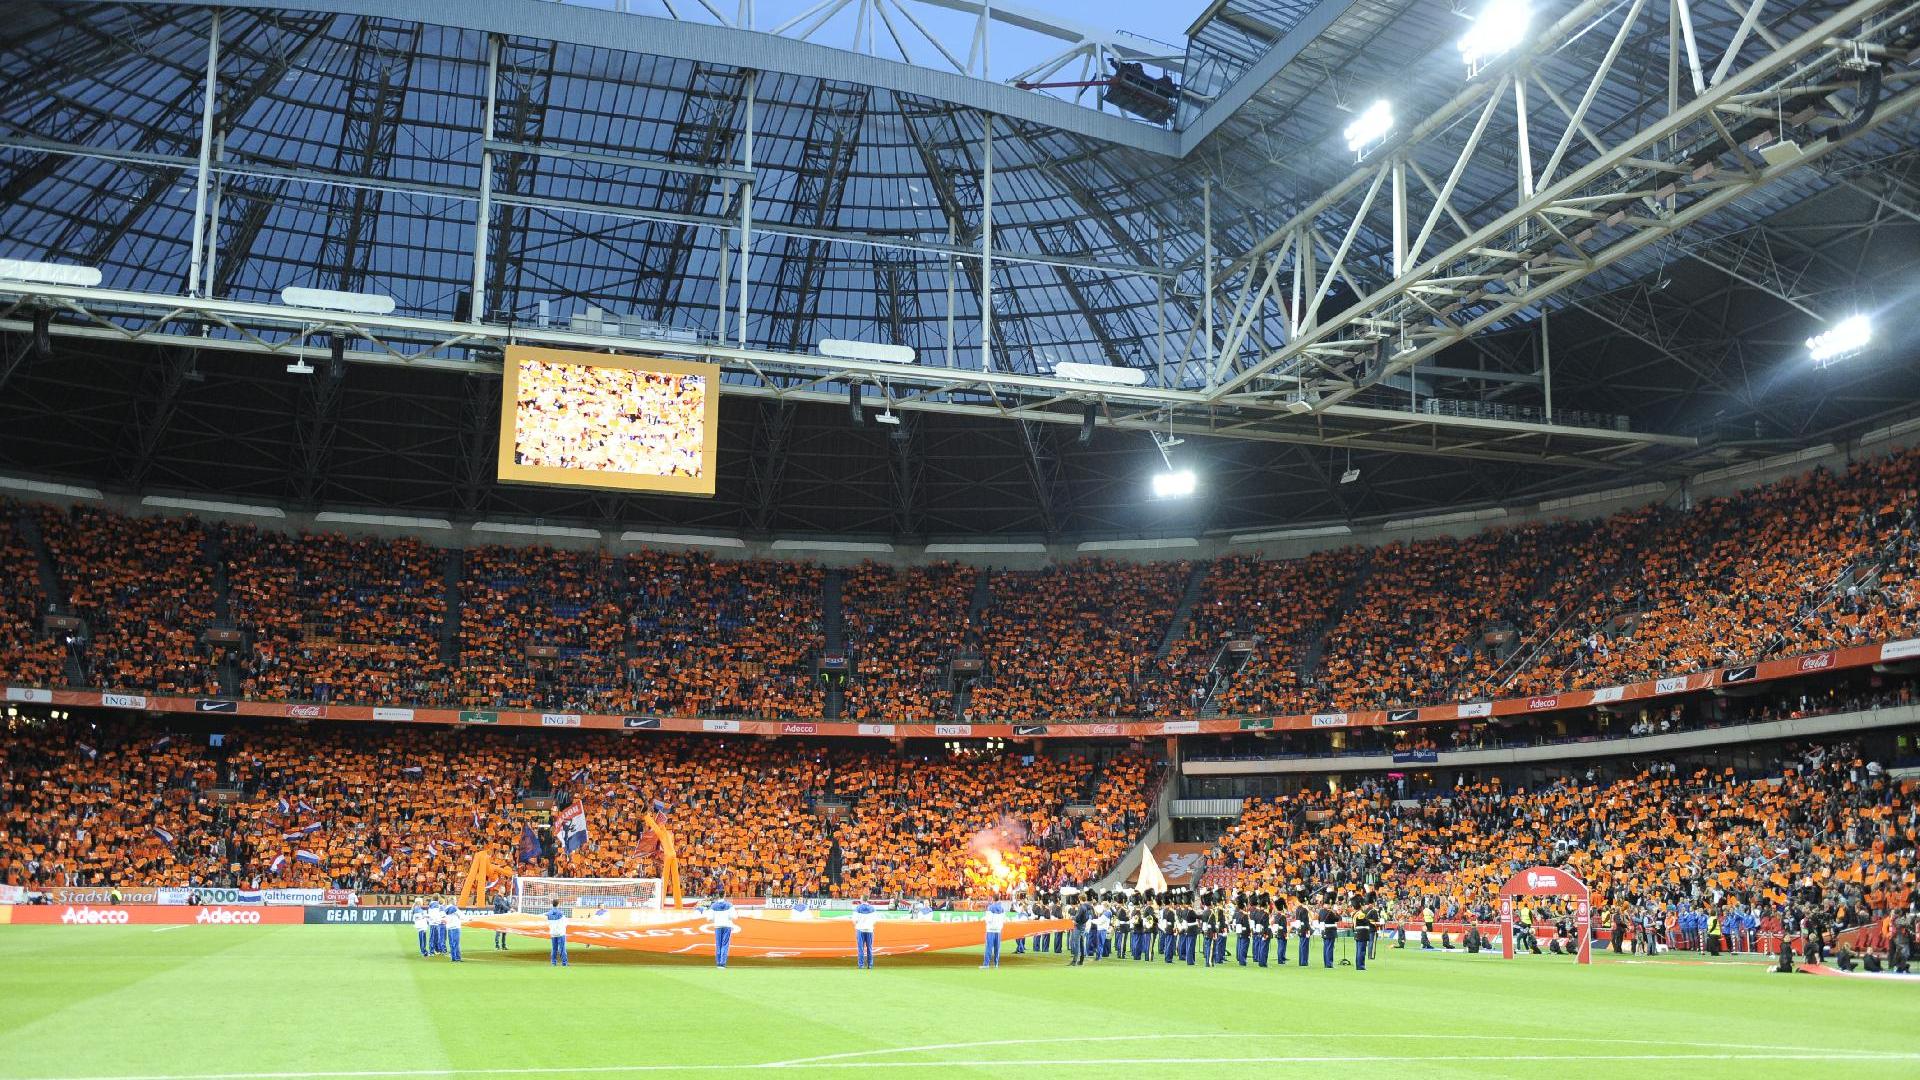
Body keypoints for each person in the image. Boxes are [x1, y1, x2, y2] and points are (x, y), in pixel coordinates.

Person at [706, 898, 738, 969]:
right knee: (725, 944)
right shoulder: (729, 905)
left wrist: (716, 919)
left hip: (718, 926)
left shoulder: (713, 906)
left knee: (718, 944)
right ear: (724, 895)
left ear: (718, 896)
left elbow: (709, 918)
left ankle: (718, 963)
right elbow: (734, 916)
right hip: (727, 926)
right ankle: (722, 963)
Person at [853, 900, 879, 970]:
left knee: (860, 948)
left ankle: (861, 965)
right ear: (867, 900)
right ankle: (870, 965)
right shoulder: (872, 908)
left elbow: (854, 920)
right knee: (869, 948)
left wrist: (857, 925)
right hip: (869, 930)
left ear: (862, 900)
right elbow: (875, 920)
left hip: (860, 929)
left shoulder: (858, 908)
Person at [1353, 896, 1376, 972]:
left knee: (1358, 950)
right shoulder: (1361, 914)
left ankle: (1358, 965)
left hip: (1358, 933)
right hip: (1362, 933)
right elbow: (1367, 921)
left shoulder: (1355, 913)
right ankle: (1361, 966)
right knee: (1361, 950)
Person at [982, 900, 1007, 969]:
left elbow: (988, 919)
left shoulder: (990, 908)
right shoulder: (1002, 909)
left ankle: (986, 964)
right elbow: (1004, 919)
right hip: (998, 930)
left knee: (989, 947)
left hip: (990, 930)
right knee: (997, 948)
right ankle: (996, 964)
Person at [545, 900, 569, 967]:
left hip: (553, 933)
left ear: (552, 904)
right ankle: (564, 963)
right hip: (560, 933)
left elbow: (547, 923)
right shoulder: (561, 913)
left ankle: (553, 962)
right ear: (558, 904)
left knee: (554, 948)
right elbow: (566, 923)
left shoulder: (548, 914)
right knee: (562, 948)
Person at [1319, 903, 1338, 968]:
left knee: (1326, 947)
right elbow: (1337, 919)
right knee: (1329, 947)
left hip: (1324, 930)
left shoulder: (1321, 911)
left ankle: (1326, 963)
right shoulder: (1330, 912)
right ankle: (1329, 963)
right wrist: (1335, 911)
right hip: (1330, 931)